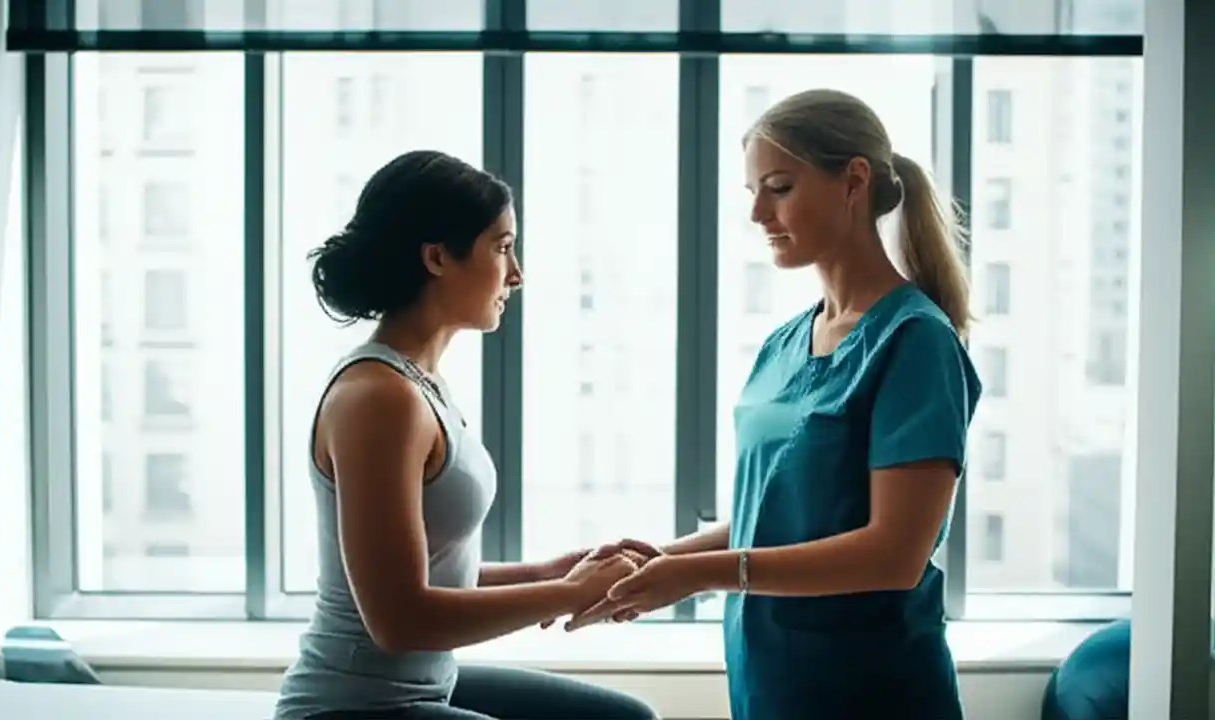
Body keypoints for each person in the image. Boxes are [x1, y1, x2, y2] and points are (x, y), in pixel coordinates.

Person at [568, 89, 983, 720]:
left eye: (780, 187)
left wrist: (703, 576)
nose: (759, 212)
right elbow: (780, 515)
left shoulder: (916, 342)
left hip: (872, 690)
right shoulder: (785, 342)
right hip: (770, 681)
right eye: (752, 192)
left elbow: (895, 554)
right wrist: (664, 561)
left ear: (854, 181)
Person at [274, 150, 657, 720]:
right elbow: (399, 619)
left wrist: (551, 571)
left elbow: (432, 574)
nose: (517, 274)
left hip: (421, 690)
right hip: (352, 709)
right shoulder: (379, 399)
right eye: (503, 248)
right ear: (437, 257)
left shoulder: (419, 384)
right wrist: (572, 594)